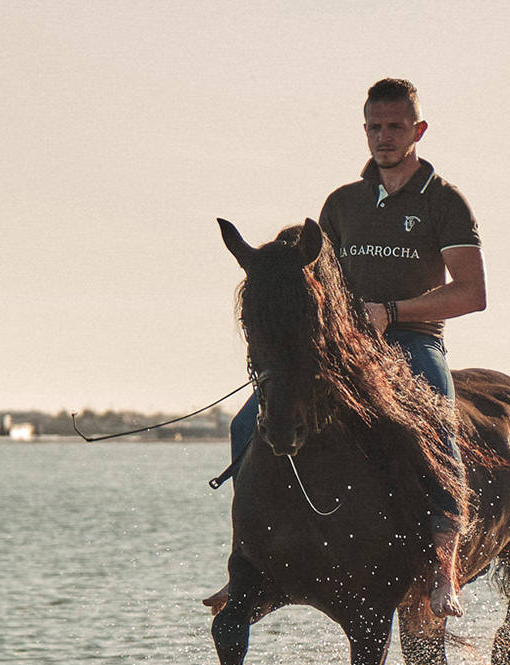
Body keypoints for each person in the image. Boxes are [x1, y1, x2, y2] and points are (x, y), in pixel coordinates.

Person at [208, 77, 486, 618]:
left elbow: (472, 294)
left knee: (436, 420)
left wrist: (395, 312)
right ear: (365, 130)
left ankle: (442, 562)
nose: (384, 137)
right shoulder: (341, 203)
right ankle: (248, 562)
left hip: (413, 341)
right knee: (248, 422)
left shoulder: (445, 202)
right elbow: (320, 278)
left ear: (418, 131)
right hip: (346, 345)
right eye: (375, 127)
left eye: (395, 127)